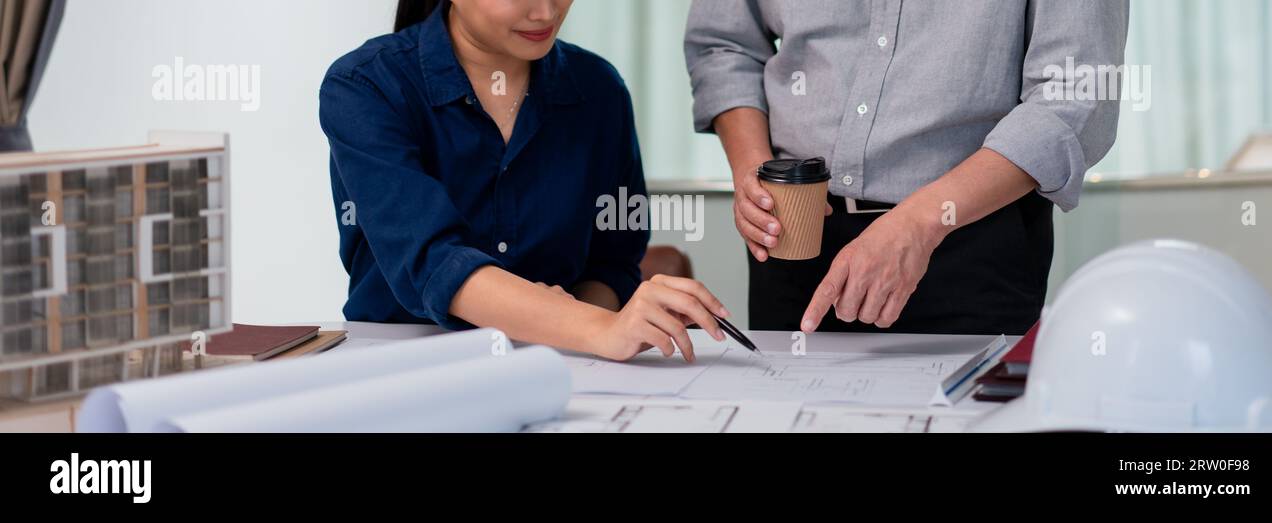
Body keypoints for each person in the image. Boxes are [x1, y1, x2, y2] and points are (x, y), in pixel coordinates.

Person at [685, 0, 1129, 335]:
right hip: (793, 234)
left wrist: (920, 223)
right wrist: (752, 167)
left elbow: (1073, 92)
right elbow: (724, 45)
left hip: (969, 245)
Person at [321, 0, 729, 362]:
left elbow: (614, 261)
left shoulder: (599, 90)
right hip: (403, 365)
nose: (546, 13)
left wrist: (573, 325)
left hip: (560, 364)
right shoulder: (366, 85)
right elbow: (432, 262)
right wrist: (595, 327)